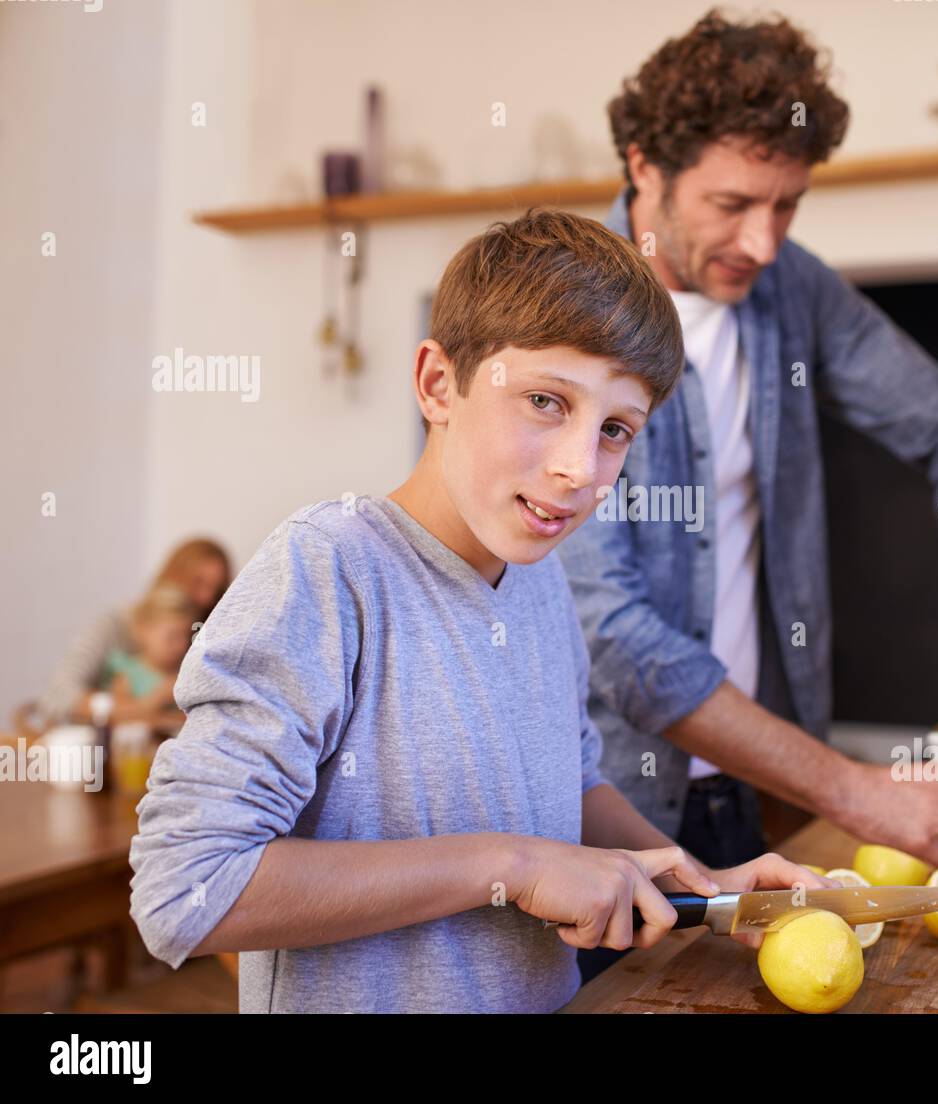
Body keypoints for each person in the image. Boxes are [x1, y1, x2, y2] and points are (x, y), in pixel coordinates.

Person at [128, 209, 831, 1014]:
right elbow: (185, 889)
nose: (578, 469)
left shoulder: (541, 579)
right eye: (543, 401)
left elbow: (572, 780)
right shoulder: (328, 569)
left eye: (614, 430)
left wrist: (699, 884)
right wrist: (514, 866)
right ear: (437, 384)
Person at [557, 10, 938, 889]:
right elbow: (618, 638)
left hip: (766, 797)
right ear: (647, 167)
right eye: (731, 205)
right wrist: (857, 791)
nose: (764, 241)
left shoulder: (789, 286)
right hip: (604, 813)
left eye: (787, 204)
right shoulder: (563, 311)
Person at [34, 538, 231, 728]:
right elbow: (59, 695)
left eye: (215, 589)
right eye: (198, 582)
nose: (206, 598)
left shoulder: (202, 639)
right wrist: (140, 709)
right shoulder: (115, 626)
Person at [103, 585, 198, 717]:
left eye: (186, 636)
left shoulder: (185, 673)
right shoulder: (126, 675)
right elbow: (117, 717)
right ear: (143, 630)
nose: (181, 645)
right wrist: (157, 699)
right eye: (172, 637)